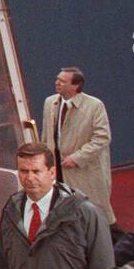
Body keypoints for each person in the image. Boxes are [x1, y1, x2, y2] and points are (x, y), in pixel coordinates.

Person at [42, 66, 115, 226]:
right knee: (64, 210)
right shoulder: (50, 103)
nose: (57, 83)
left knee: (96, 214)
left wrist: (77, 158)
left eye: (62, 81)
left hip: (83, 170)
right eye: (57, 79)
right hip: (58, 168)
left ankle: (113, 245)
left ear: (75, 86)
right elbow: (46, 135)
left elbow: (102, 138)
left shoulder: (94, 105)